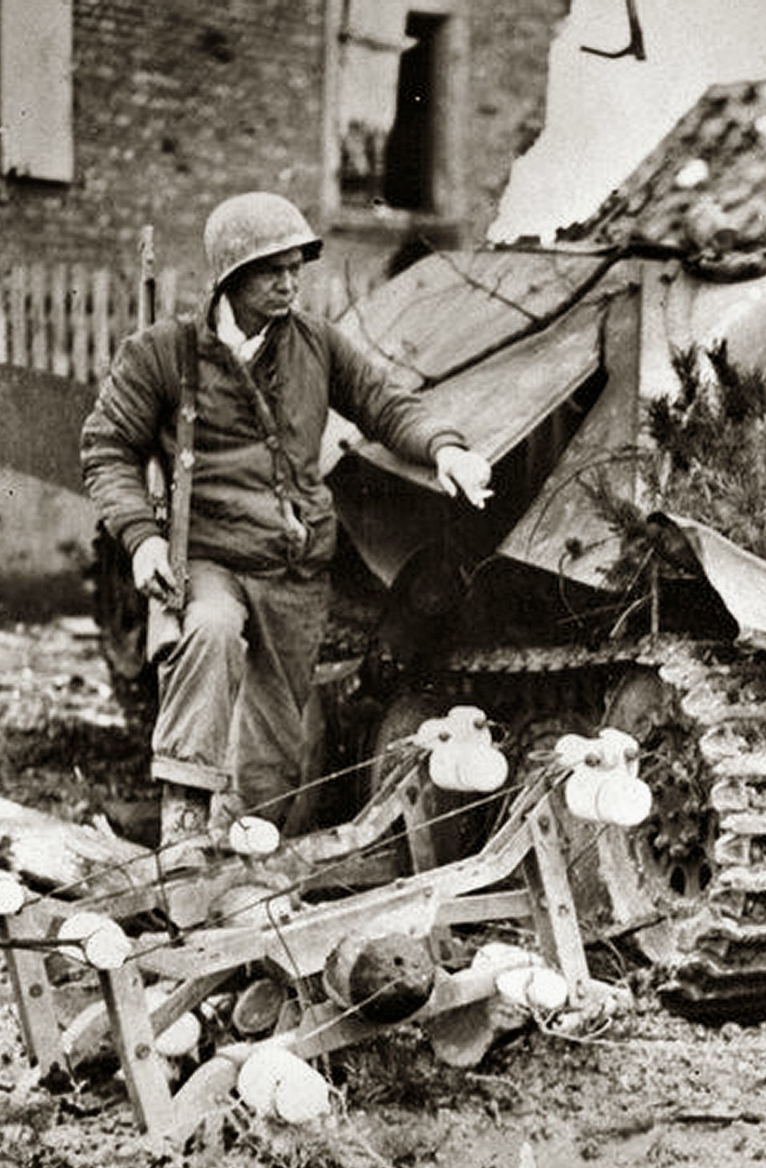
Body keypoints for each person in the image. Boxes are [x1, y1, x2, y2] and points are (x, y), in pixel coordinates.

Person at [81, 191, 492, 857]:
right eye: (271, 268)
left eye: (295, 266)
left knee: (275, 736)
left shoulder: (317, 344)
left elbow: (385, 404)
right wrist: (141, 535)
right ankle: (184, 833)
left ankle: (234, 853)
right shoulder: (163, 354)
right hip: (209, 557)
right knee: (207, 632)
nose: (289, 280)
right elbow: (106, 447)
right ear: (229, 277)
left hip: (295, 570)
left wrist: (445, 448)